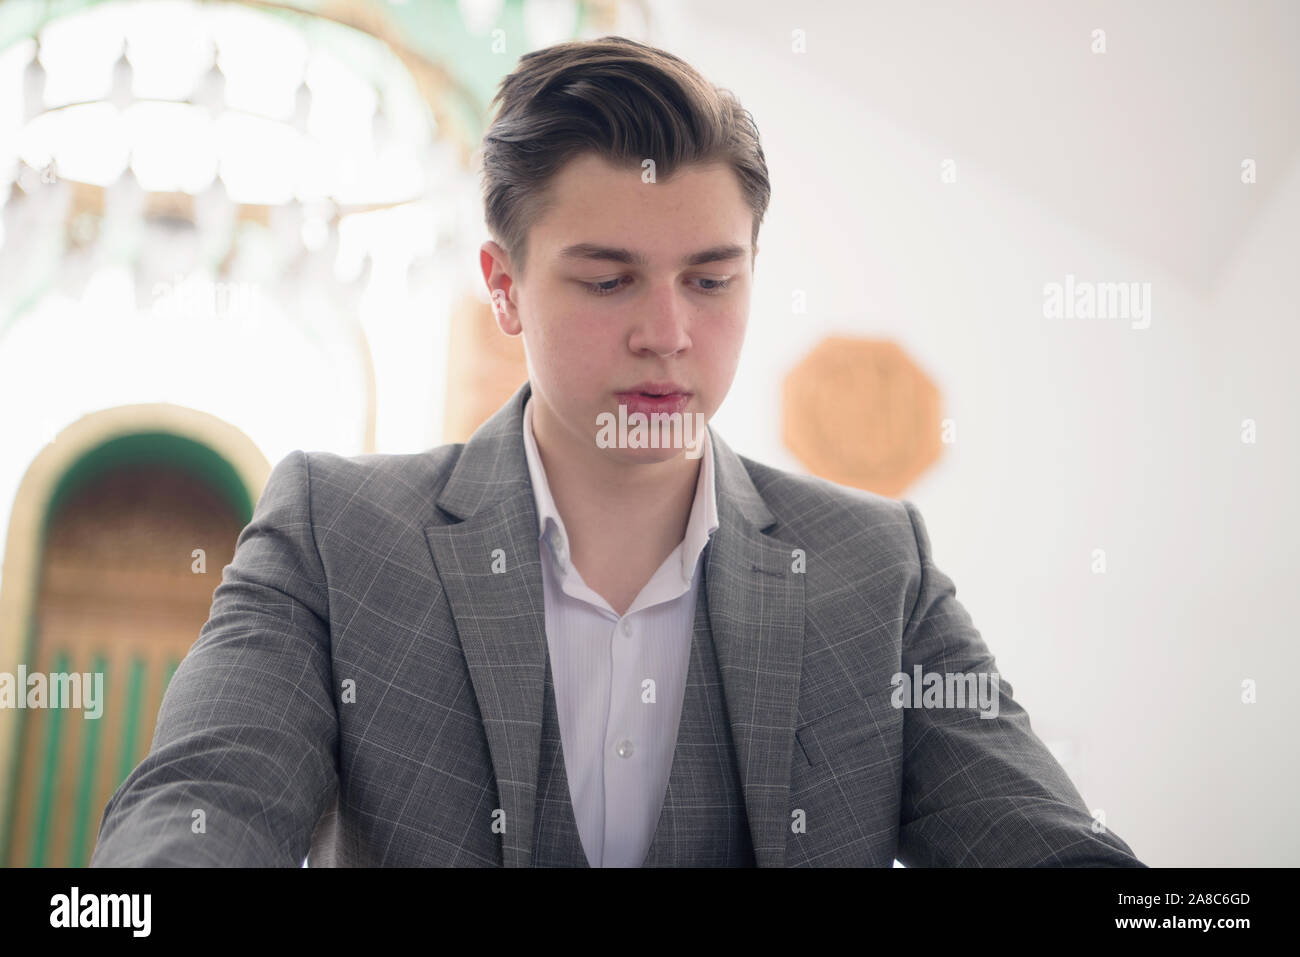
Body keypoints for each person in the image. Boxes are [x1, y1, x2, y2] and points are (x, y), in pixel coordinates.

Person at [90, 36, 1143, 867]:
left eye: (711, 280)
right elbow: (200, 807)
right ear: (504, 287)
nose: (667, 332)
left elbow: (1047, 847)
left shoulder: (880, 569)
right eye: (607, 280)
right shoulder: (334, 530)